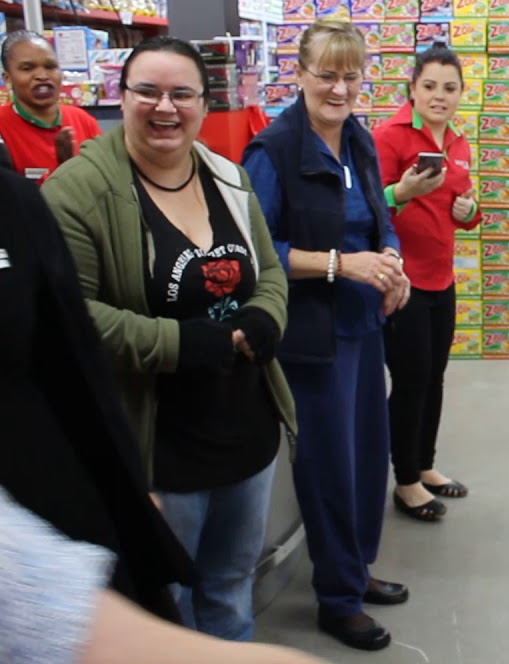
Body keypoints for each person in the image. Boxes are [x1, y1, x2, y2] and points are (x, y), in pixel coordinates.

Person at [41, 36, 297, 642]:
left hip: (245, 431)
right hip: (158, 446)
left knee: (231, 587)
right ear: (119, 98)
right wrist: (190, 344)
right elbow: (74, 320)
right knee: (169, 603)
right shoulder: (77, 194)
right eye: (147, 92)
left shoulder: (227, 176)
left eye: (182, 94)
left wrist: (266, 318)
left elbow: (270, 273)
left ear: (204, 105)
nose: (165, 108)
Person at [242, 19, 412, 652]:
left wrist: (391, 263)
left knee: (371, 455)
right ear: (300, 74)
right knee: (331, 468)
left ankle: (356, 569)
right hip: (310, 337)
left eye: (351, 76)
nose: (339, 89)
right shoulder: (273, 151)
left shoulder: (359, 140)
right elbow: (253, 250)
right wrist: (343, 264)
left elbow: (380, 215)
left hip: (362, 325)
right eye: (327, 75)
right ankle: (336, 599)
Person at [1, 166, 194, 624]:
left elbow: (74, 360)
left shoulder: (12, 201)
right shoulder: (79, 187)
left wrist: (125, 479)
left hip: (45, 495)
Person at [0, 486, 328, 664]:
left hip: (243, 444)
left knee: (231, 589)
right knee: (172, 597)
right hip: (173, 461)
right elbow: (71, 626)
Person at [373, 43, 480, 523]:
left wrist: (470, 213)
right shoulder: (388, 137)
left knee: (434, 378)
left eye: (450, 88)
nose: (440, 96)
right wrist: (402, 191)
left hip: (442, 277)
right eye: (430, 86)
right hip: (401, 281)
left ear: (460, 94)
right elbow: (371, 210)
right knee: (411, 380)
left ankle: (427, 464)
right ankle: (406, 481)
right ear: (412, 88)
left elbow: (465, 211)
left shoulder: (458, 143)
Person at [0, 30, 102, 184]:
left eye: (50, 66)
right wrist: (66, 169)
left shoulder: (83, 121)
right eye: (27, 68)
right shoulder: (3, 126)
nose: (42, 76)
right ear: (8, 79)